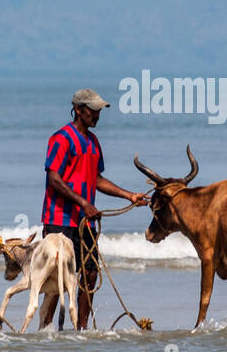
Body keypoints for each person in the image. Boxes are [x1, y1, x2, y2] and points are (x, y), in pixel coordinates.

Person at [42, 88, 148, 330]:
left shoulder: (93, 142)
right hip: (60, 221)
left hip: (86, 224)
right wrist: (84, 203)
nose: (98, 115)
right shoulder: (61, 138)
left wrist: (129, 195)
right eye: (93, 110)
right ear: (79, 110)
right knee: (56, 280)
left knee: (89, 274)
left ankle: (81, 329)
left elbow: (96, 179)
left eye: (99, 111)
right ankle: (46, 329)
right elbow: (54, 179)